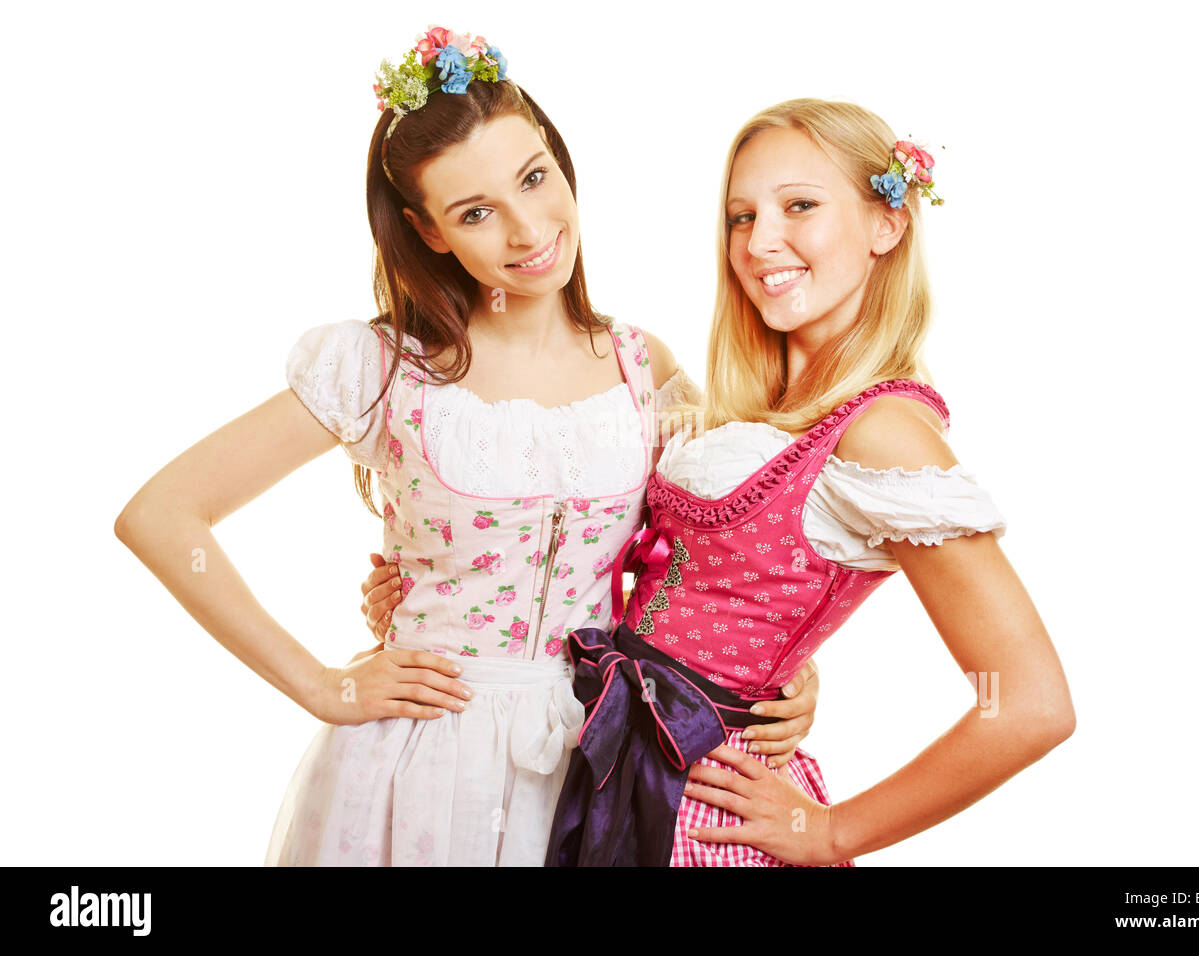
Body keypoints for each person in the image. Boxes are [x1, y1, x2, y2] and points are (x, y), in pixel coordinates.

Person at [113, 25, 817, 867]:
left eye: (534, 178)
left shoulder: (644, 365)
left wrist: (779, 675)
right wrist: (320, 684)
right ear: (432, 232)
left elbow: (714, 566)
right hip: (422, 757)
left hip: (598, 751)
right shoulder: (381, 367)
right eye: (476, 212)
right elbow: (162, 515)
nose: (527, 233)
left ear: (561, 161)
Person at [536, 99, 1076, 866]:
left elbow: (1031, 705)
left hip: (710, 813)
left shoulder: (883, 431)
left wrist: (832, 830)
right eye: (740, 216)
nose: (761, 243)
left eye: (800, 206)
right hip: (619, 771)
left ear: (887, 224)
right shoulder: (763, 409)